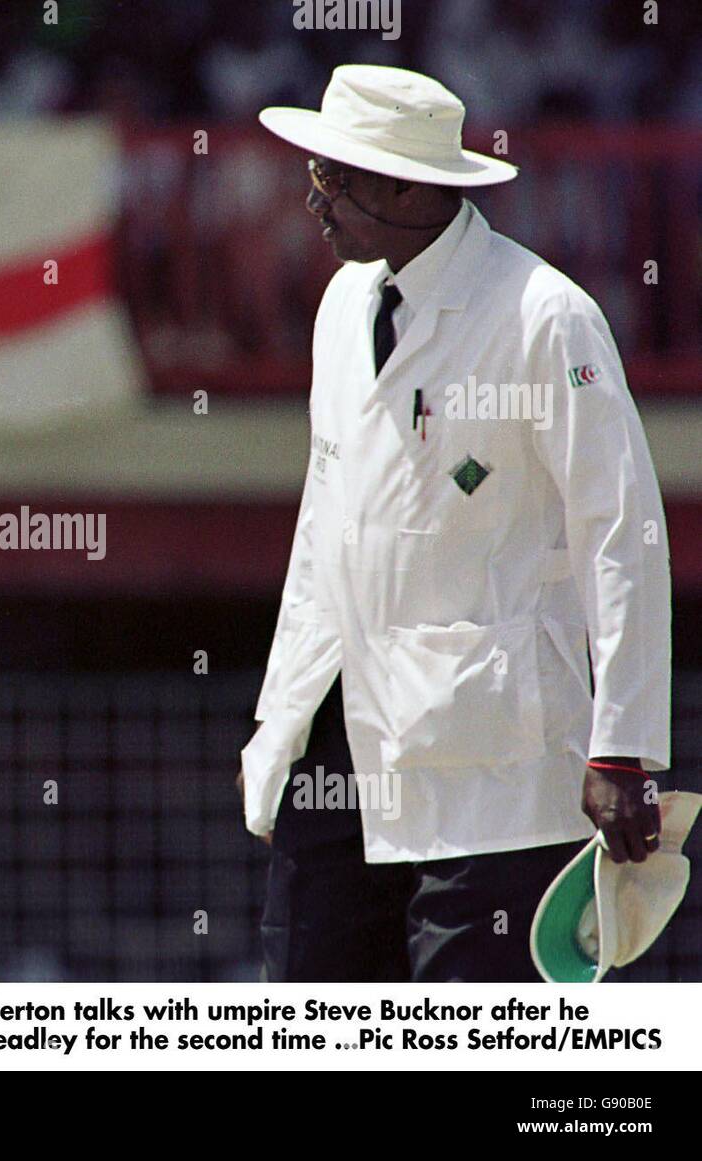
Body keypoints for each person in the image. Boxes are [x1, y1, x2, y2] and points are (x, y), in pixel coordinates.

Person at [240, 66, 670, 982]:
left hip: (493, 758)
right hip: (342, 741)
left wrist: (624, 744)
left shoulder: (546, 316)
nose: (313, 200)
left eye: (335, 179)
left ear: (410, 188)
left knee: (473, 1025)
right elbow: (324, 525)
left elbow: (620, 529)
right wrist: (277, 725)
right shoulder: (342, 305)